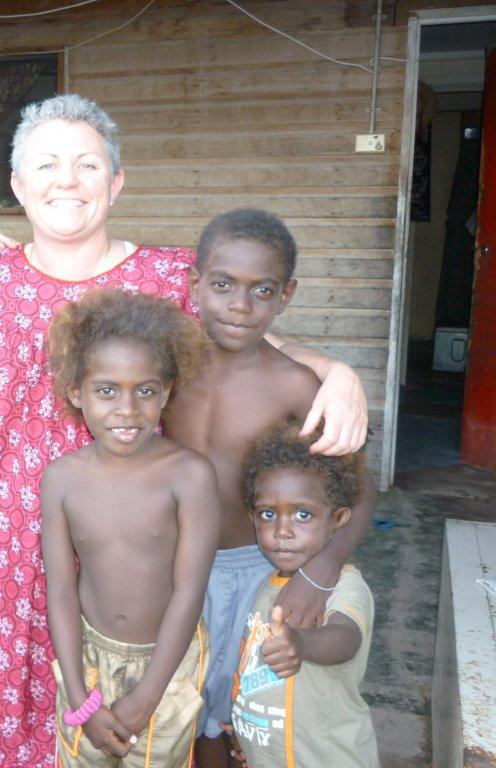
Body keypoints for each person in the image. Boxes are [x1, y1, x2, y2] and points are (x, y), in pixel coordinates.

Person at [0, 94, 368, 767]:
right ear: (18, 186)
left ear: (116, 183)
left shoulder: (164, 279)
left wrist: (332, 368)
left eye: (87, 164)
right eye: (46, 164)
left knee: (116, 731)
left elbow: (247, 333)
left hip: (118, 557)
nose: (67, 179)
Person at [161, 209, 374, 768]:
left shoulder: (295, 385)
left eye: (262, 290)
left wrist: (319, 569)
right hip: (171, 562)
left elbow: (361, 489)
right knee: (188, 701)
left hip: (251, 569)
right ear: (194, 283)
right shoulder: (167, 362)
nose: (239, 305)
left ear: (286, 296)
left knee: (244, 701)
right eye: (224, 285)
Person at [41, 289, 217, 767]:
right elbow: (60, 588)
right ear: (76, 392)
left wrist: (147, 696)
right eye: (106, 390)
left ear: (166, 391)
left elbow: (189, 592)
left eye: (145, 390)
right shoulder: (60, 479)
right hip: (87, 662)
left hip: (168, 661)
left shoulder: (190, 475)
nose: (127, 409)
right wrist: (79, 697)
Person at [229, 421, 378, 768]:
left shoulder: (343, 585)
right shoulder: (264, 584)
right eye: (269, 514)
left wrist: (302, 644)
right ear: (253, 517)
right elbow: (252, 668)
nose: (283, 531)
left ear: (338, 518)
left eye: (303, 514)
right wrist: (243, 724)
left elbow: (345, 638)